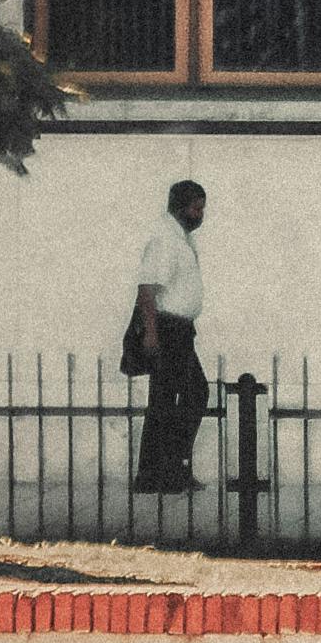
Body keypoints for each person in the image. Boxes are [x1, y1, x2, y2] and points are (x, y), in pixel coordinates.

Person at [128, 179, 209, 495]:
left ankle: (168, 469)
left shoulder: (180, 239)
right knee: (173, 398)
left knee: (183, 396)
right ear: (180, 207)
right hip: (167, 329)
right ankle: (156, 473)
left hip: (179, 329)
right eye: (196, 207)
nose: (200, 214)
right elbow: (147, 290)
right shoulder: (165, 241)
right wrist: (151, 333)